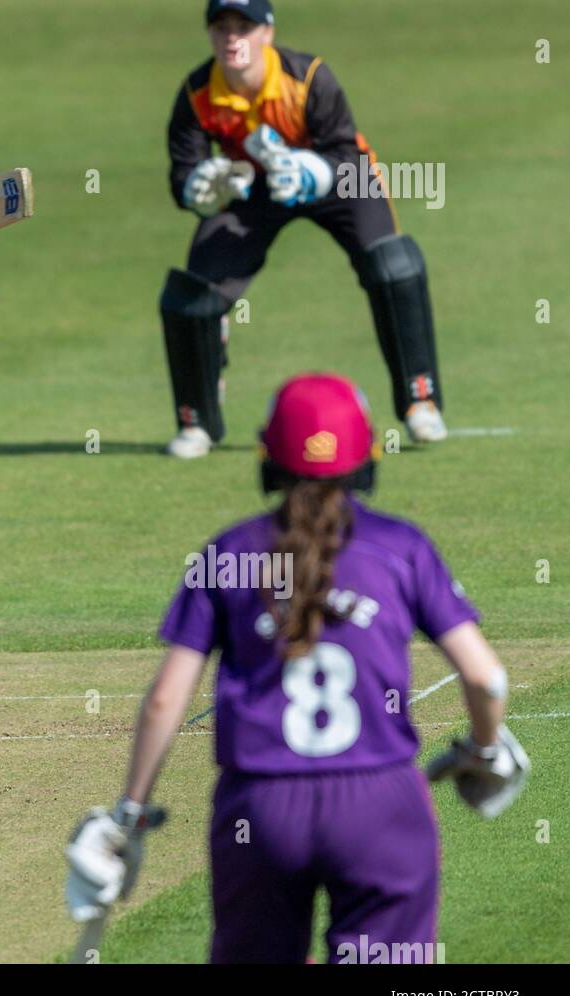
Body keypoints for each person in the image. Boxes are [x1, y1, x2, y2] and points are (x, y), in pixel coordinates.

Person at [66, 373, 530, 964]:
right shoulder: (401, 548)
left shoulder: (229, 555)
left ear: (267, 455)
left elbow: (165, 702)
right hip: (381, 805)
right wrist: (485, 750)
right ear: (367, 456)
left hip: (260, 808)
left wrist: (127, 817)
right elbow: (486, 678)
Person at [160, 0, 444, 459]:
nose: (233, 39)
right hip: (252, 188)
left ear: (267, 33)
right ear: (210, 35)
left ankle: (421, 402)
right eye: (222, 28)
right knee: (193, 295)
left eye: (244, 28)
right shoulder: (196, 93)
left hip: (336, 178)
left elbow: (341, 147)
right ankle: (198, 423)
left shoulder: (309, 77)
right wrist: (203, 188)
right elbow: (183, 176)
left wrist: (309, 172)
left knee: (393, 266)